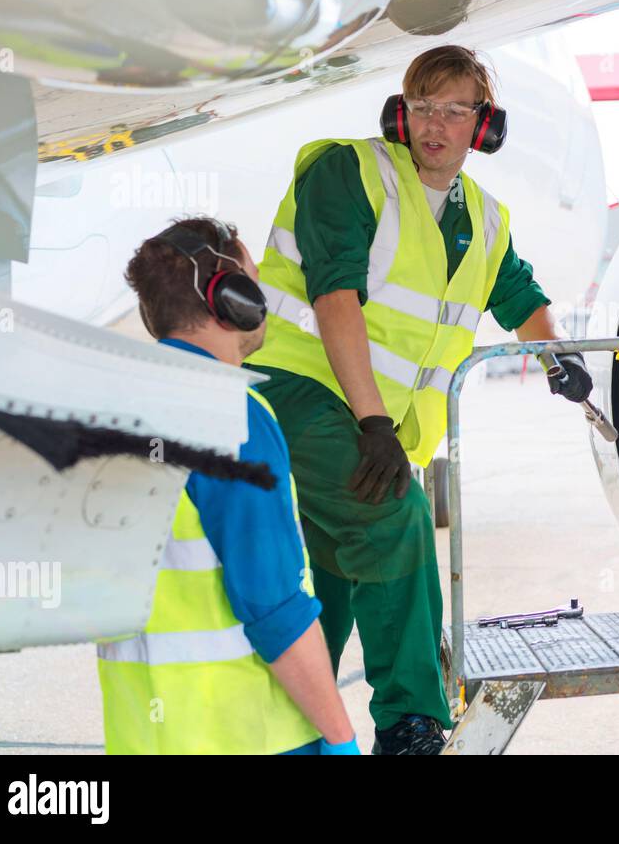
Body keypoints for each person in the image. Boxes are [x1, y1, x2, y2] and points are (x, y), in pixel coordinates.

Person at [244, 44, 591, 754]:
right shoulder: (350, 172)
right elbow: (332, 293)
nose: (435, 124)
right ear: (401, 115)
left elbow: (519, 294)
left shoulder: (484, 222)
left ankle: (282, 729)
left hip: (369, 419)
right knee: (391, 514)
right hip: (294, 387)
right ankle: (408, 720)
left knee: (336, 575)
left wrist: (558, 360)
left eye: (454, 110)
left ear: (483, 126)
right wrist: (373, 421)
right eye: (422, 106)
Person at [99, 216, 359, 755]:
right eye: (253, 281)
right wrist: (341, 738)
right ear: (231, 298)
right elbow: (274, 608)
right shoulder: (228, 415)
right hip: (251, 738)